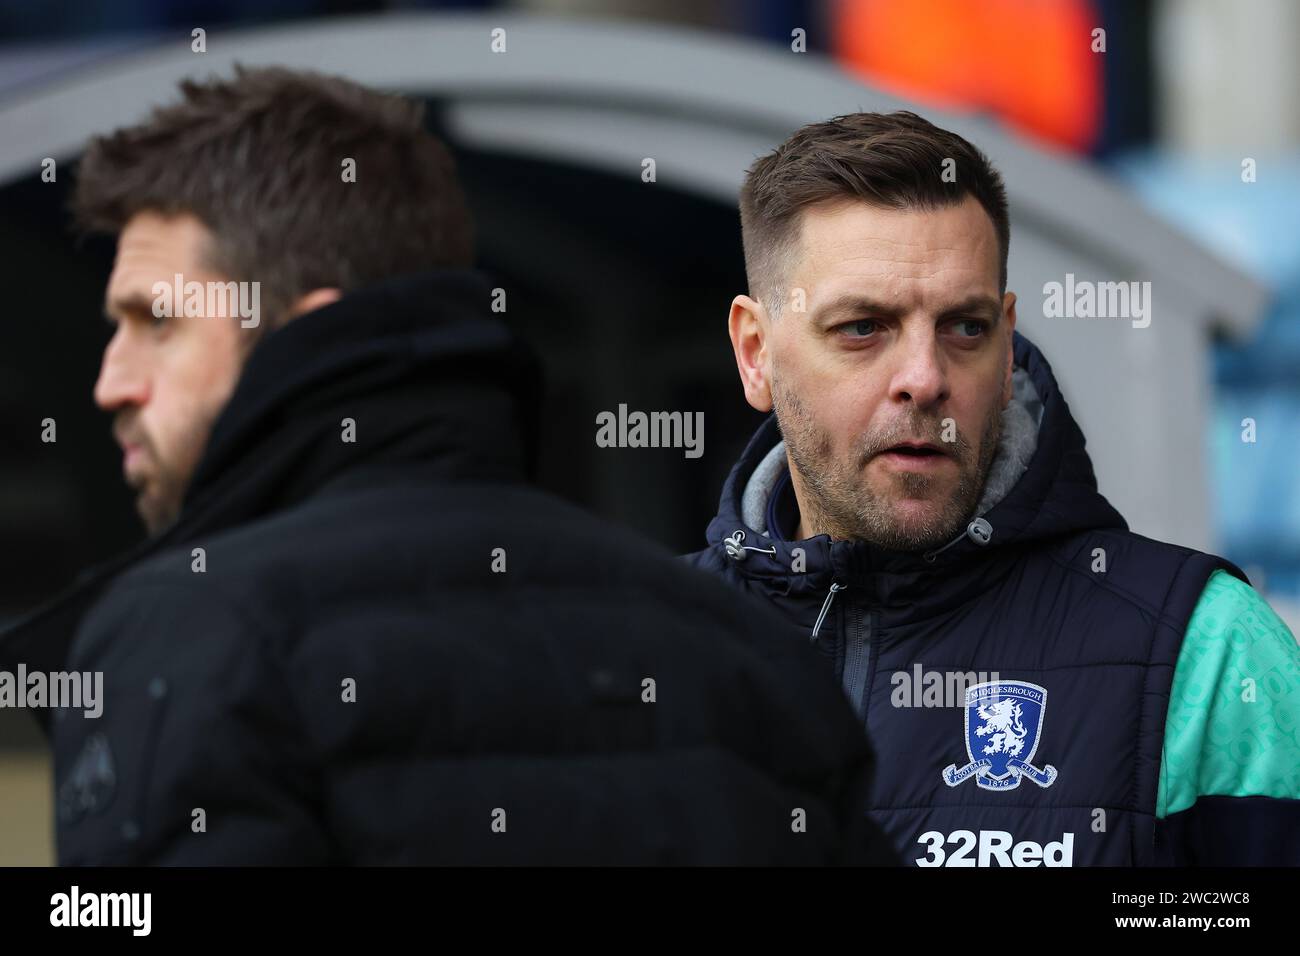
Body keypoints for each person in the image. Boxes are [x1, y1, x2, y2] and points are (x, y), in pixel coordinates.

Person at [0, 67, 896, 865]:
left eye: (158, 321)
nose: (111, 382)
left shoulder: (192, 634)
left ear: (304, 329)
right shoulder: (748, 656)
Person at [686, 110, 1300, 866]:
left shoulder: (1203, 650)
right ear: (756, 353)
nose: (924, 378)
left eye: (964, 328)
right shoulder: (642, 651)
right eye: (862, 328)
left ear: (1008, 345)